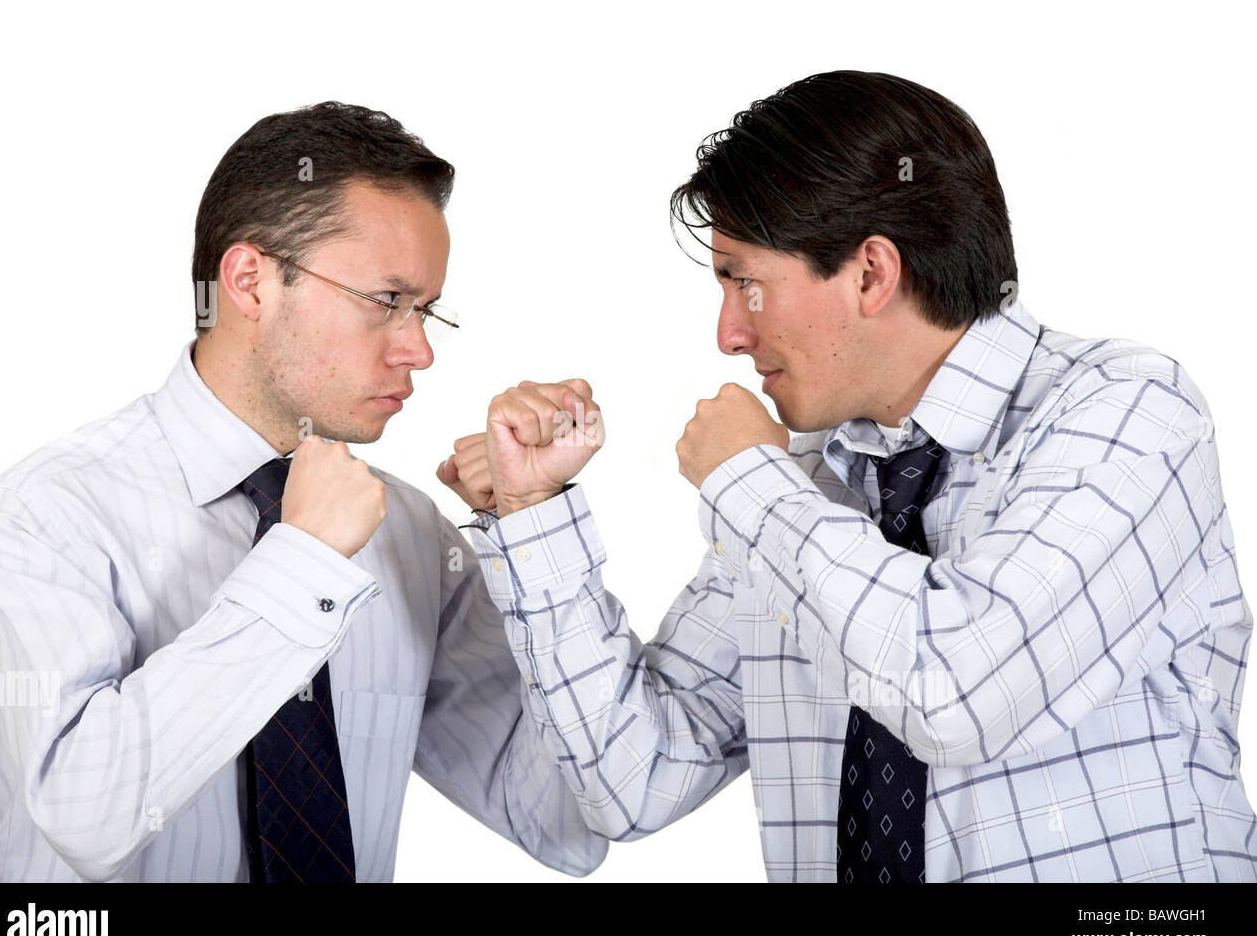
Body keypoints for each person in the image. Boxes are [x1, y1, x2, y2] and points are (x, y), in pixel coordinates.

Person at [438, 71, 1256, 882]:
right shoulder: (801, 488)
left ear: (871, 273)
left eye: (745, 283)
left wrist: (751, 484)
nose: (728, 334)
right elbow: (634, 783)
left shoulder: (1128, 414)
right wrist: (532, 508)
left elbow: (958, 695)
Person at [0, 102, 606, 882]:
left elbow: (567, 825)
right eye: (386, 301)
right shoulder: (44, 513)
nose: (422, 349)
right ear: (249, 282)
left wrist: (531, 523)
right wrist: (299, 565)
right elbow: (83, 819)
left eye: (428, 309)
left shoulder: (412, 537)